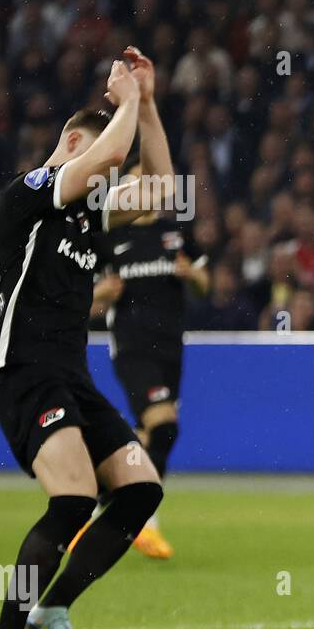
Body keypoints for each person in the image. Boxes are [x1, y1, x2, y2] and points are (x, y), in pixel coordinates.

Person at [0, 49, 174, 629]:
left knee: (142, 488)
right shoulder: (29, 195)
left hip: (74, 378)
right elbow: (112, 156)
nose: (108, 180)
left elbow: (162, 191)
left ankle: (50, 610)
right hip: (26, 373)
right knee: (72, 500)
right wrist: (125, 104)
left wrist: (147, 105)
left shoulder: (90, 216)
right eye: (94, 157)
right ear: (72, 143)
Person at [87, 142, 209, 559]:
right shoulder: (109, 237)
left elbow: (205, 285)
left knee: (148, 431)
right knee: (165, 426)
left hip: (171, 346)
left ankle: (103, 495)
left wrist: (191, 274)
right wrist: (99, 294)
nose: (144, 186)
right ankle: (140, 517)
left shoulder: (174, 233)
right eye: (137, 179)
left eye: (150, 180)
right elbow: (83, 301)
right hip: (133, 346)